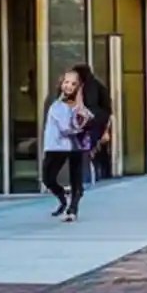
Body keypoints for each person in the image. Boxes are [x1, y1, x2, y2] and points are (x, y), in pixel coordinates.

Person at [42, 70, 93, 222]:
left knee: (76, 178)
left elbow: (87, 120)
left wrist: (82, 120)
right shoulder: (56, 104)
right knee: (48, 178)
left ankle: (73, 208)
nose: (69, 86)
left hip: (75, 146)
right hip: (56, 146)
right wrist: (80, 125)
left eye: (73, 83)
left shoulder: (81, 105)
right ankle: (63, 200)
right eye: (66, 82)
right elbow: (66, 128)